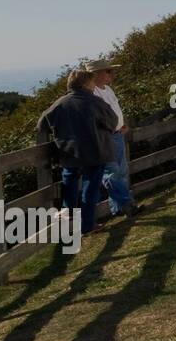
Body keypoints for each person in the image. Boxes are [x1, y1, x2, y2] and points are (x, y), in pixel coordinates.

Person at [36, 67, 118, 235]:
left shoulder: (59, 104)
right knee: (90, 189)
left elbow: (41, 125)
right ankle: (87, 226)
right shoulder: (95, 102)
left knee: (70, 182)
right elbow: (112, 121)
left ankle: (68, 213)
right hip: (95, 152)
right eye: (91, 82)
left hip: (69, 152)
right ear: (86, 84)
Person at [87, 59, 141, 218]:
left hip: (117, 135)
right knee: (111, 173)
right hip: (105, 138)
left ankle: (118, 208)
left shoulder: (108, 89)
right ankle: (128, 204)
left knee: (122, 171)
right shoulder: (91, 93)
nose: (112, 74)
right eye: (108, 71)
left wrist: (121, 125)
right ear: (95, 74)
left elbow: (114, 110)